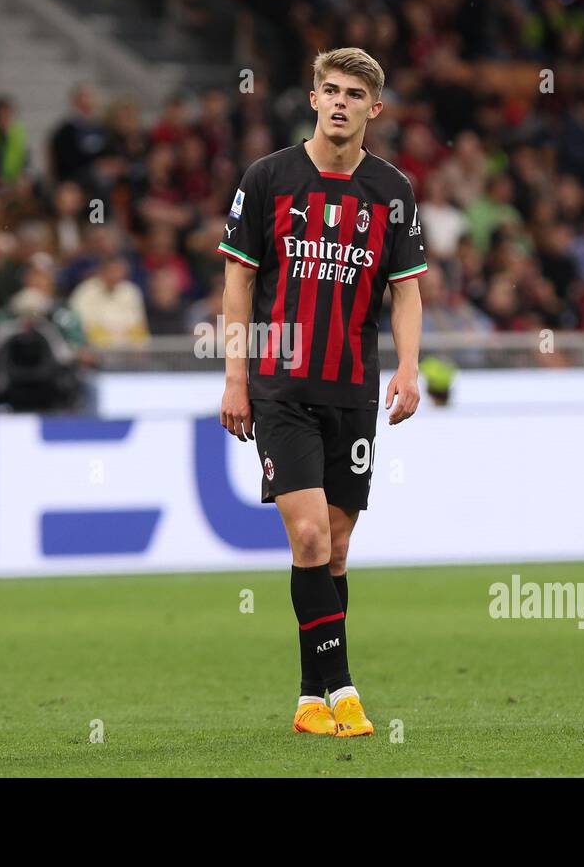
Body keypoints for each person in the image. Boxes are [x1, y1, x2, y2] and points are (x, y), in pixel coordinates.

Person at [218, 48, 425, 738]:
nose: (339, 103)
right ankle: (343, 689)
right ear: (313, 98)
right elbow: (239, 283)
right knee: (306, 534)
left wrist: (408, 367)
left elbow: (407, 291)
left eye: (354, 94)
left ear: (374, 109)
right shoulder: (269, 178)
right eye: (329, 90)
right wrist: (236, 378)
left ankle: (310, 699)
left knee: (333, 549)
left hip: (353, 389)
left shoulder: (391, 192)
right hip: (282, 385)